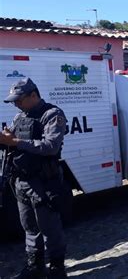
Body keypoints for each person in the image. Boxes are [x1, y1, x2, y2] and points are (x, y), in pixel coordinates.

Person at [0, 78, 68, 278]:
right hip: (21, 181)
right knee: (29, 227)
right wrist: (5, 141)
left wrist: (16, 141)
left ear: (33, 95)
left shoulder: (52, 114)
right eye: (14, 101)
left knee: (50, 229)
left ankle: (57, 269)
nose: (16, 104)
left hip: (44, 182)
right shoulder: (20, 117)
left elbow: (50, 146)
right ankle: (34, 267)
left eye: (19, 100)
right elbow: (12, 142)